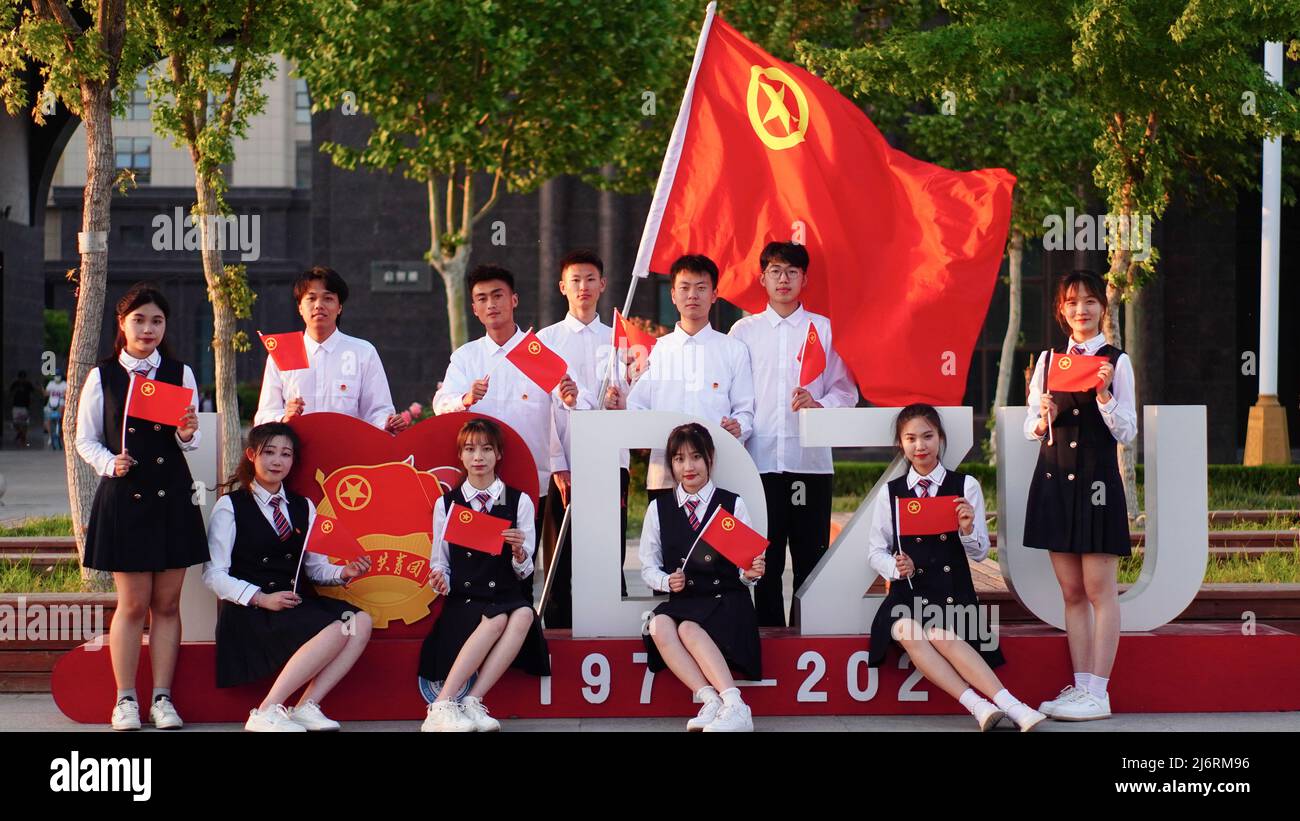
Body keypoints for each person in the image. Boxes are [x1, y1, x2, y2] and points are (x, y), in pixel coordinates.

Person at [74, 282, 209, 730]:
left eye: (156, 320)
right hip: (125, 497)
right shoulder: (104, 376)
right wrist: (110, 463)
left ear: (165, 326)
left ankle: (163, 699)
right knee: (133, 605)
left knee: (168, 606)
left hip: (172, 495)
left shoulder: (179, 373)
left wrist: (189, 433)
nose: (148, 328)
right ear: (122, 324)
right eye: (139, 319)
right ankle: (125, 699)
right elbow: (84, 439)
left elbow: (190, 442)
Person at [866, 404, 1044, 732]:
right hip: (909, 593)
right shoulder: (891, 494)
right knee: (906, 629)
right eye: (911, 438)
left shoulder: (965, 486)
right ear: (901, 444)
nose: (920, 446)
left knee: (939, 632)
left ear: (941, 439)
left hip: (952, 593)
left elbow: (979, 553)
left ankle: (1013, 707)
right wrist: (895, 567)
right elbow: (875, 550)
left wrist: (965, 530)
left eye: (928, 436)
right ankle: (978, 707)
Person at [1024, 270, 1136, 722]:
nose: (1081, 310)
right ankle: (1080, 686)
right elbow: (1030, 427)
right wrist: (1041, 416)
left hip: (1097, 484)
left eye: (1090, 301)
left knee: (1099, 589)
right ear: (1061, 311)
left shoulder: (1117, 360)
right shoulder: (1049, 361)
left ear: (1103, 309)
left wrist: (1105, 394)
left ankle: (1099, 691)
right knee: (1071, 591)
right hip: (1055, 481)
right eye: (1072, 303)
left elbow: (1128, 429)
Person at [729, 241, 857, 626]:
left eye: (792, 272)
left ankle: (807, 637)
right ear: (762, 278)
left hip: (809, 463)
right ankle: (767, 638)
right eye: (775, 271)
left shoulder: (824, 330)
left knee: (810, 559)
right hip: (758, 463)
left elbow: (845, 391)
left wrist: (821, 406)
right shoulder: (742, 331)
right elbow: (738, 395)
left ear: (805, 279)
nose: (783, 279)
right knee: (762, 559)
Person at [419, 418, 549, 732]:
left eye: (487, 449)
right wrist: (440, 579)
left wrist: (519, 553)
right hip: (464, 598)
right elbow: (441, 561)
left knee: (521, 615)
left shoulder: (517, 501)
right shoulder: (448, 504)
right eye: (470, 449)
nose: (479, 457)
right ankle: (441, 704)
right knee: (500, 618)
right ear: (460, 457)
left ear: (499, 454)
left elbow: (526, 569)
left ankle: (472, 701)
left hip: (505, 593)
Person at [639, 423, 764, 732]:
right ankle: (710, 701)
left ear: (710, 458)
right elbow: (647, 567)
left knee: (690, 628)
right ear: (671, 464)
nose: (688, 466)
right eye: (679, 459)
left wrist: (749, 573)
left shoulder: (731, 504)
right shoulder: (659, 509)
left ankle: (736, 705)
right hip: (685, 601)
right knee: (658, 623)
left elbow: (745, 568)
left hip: (727, 601)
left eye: (696, 456)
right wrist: (667, 582)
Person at [255, 266, 407, 432]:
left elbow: (378, 410)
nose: (319, 305)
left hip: (348, 453)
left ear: (339, 307)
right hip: (295, 453)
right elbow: (264, 416)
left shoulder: (362, 352)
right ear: (299, 307)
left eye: (328, 298)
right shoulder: (284, 352)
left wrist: (386, 423)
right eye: (311, 298)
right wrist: (284, 417)